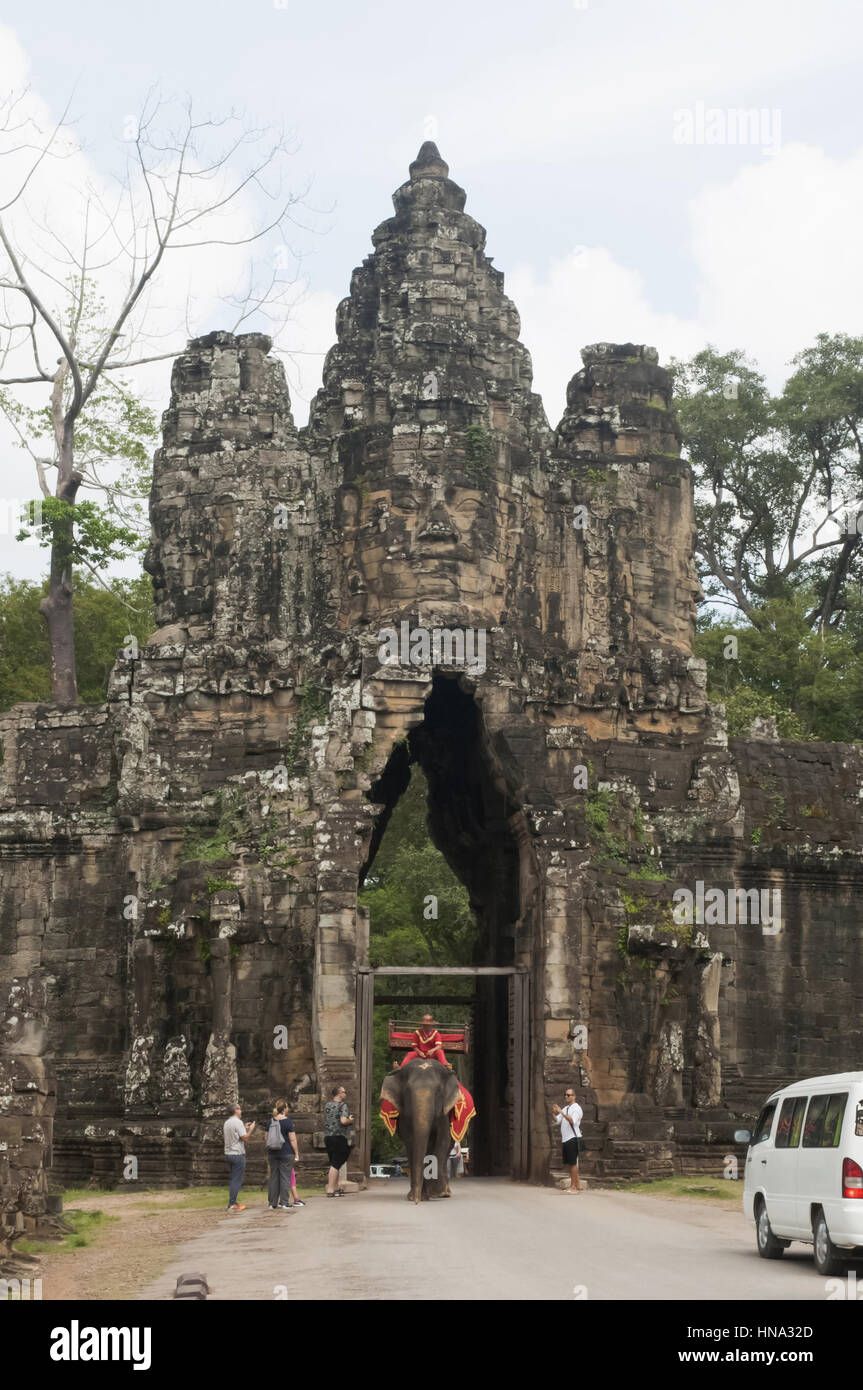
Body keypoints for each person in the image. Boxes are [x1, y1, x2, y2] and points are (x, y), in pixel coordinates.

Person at [266, 1100, 299, 1211]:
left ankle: (272, 1203)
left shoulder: (270, 1121)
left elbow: (266, 1138)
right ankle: (284, 1202)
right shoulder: (288, 1122)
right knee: (285, 1177)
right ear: (284, 1108)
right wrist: (296, 1153)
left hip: (272, 1152)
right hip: (286, 1152)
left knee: (274, 1177)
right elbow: (293, 1139)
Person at [223, 1102, 255, 1211]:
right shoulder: (238, 1122)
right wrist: (250, 1129)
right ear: (236, 1110)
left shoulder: (227, 1122)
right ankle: (232, 1204)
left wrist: (244, 1128)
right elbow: (245, 1138)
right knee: (237, 1180)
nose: (241, 1111)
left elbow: (237, 1136)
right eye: (240, 1109)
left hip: (229, 1153)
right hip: (237, 1154)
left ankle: (233, 1202)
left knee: (234, 1178)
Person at [552, 1087, 583, 1194]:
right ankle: (577, 1184)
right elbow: (557, 1120)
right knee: (570, 1163)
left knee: (573, 1163)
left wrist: (561, 1111)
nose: (566, 1096)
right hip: (566, 1138)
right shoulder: (566, 1108)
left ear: (574, 1096)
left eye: (568, 1095)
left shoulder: (576, 1108)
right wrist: (553, 1112)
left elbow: (572, 1121)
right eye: (565, 1094)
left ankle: (573, 1187)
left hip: (573, 1138)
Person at [324, 1084, 352, 1196]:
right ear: (339, 1093)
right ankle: (330, 1189)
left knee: (333, 1162)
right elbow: (343, 1121)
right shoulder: (343, 1105)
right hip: (339, 1136)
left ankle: (335, 1188)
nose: (345, 1094)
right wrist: (350, 1120)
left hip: (328, 1137)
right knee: (336, 1163)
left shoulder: (327, 1105)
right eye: (344, 1092)